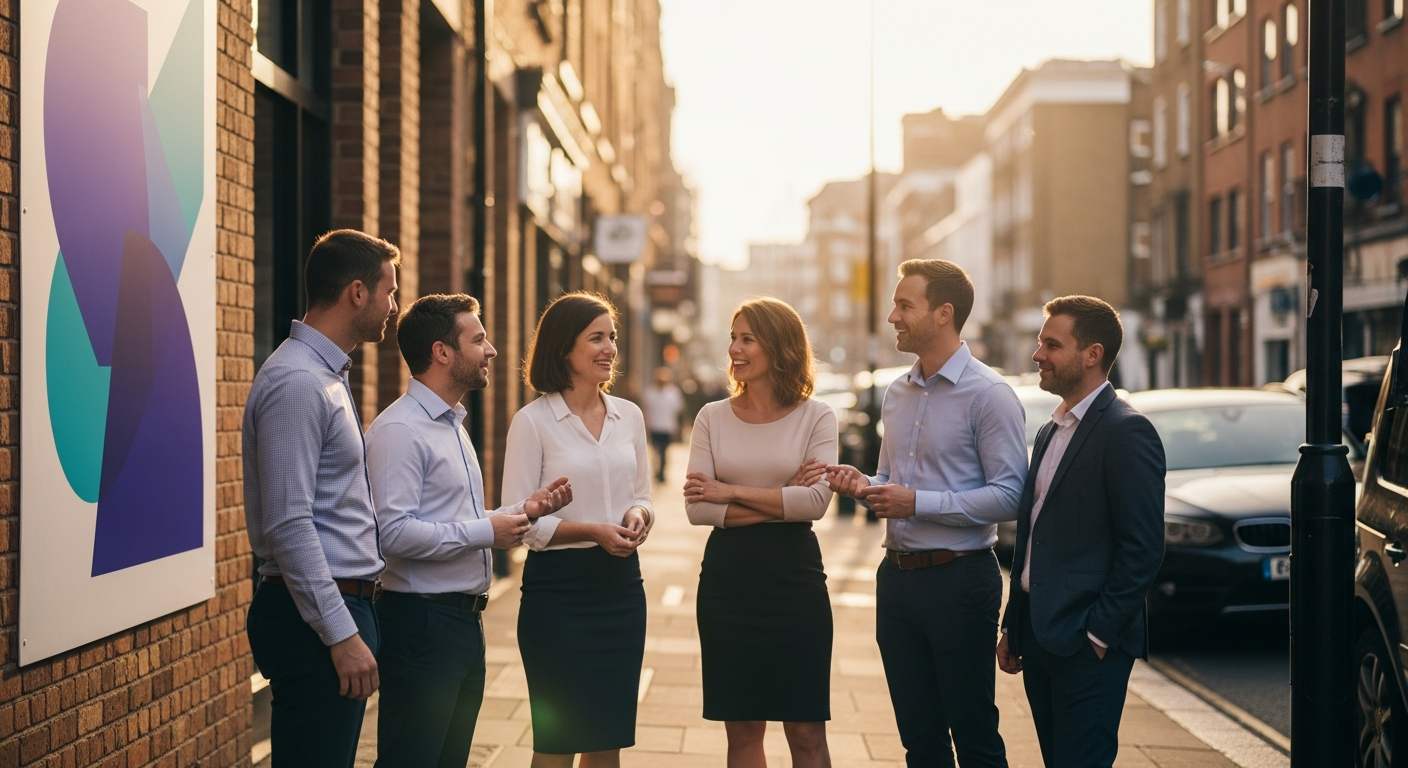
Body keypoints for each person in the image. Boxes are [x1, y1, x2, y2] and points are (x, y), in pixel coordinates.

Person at [826, 260, 1027, 767]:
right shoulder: (897, 392)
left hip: (959, 581)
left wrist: (916, 503)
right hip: (897, 581)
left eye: (904, 305)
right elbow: (890, 479)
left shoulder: (990, 395)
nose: (892, 315)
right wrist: (861, 485)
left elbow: (1010, 496)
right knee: (920, 740)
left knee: (975, 735)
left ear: (943, 313)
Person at [365, 294, 573, 768]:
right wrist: (486, 531)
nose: (492, 349)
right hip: (421, 624)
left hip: (460, 624)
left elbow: (453, 516)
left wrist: (526, 509)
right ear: (442, 352)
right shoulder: (400, 430)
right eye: (478, 339)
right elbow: (391, 534)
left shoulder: (451, 424)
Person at [243, 229, 400, 767]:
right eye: (389, 292)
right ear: (358, 292)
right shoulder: (298, 381)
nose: (393, 307)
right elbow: (288, 524)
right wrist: (341, 633)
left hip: (334, 607)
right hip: (313, 618)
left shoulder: (324, 375)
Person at [995, 296, 1165, 768]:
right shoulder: (1052, 430)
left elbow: (1144, 548)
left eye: (1052, 344)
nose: (1038, 355)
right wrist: (1015, 622)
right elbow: (1033, 535)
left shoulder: (1127, 431)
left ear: (1092, 354)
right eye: (1039, 343)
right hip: (1039, 634)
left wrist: (1098, 635)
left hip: (1086, 646)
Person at [501, 292, 654, 768]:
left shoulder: (630, 416)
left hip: (621, 590)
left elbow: (643, 495)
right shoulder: (533, 422)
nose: (609, 348)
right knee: (557, 743)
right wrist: (592, 530)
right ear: (564, 348)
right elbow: (518, 520)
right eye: (596, 338)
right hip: (558, 594)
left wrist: (638, 518)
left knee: (606, 740)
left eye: (612, 337)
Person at [684, 297, 837, 768]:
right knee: (743, 730)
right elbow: (697, 510)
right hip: (730, 583)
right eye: (734, 337)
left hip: (795, 582)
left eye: (747, 338)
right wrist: (780, 498)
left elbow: (814, 503)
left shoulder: (818, 417)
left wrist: (729, 490)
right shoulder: (711, 416)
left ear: (779, 346)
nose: (735, 348)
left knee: (807, 730)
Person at [643, 366, 686, 482]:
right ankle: (656, 470)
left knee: (664, 451)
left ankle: (662, 472)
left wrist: (676, 428)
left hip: (667, 427)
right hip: (654, 426)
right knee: (655, 451)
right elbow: (647, 411)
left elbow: (677, 411)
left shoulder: (673, 393)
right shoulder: (650, 392)